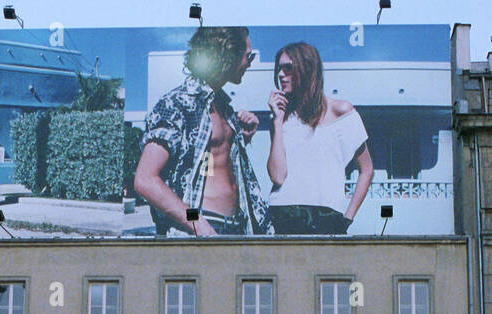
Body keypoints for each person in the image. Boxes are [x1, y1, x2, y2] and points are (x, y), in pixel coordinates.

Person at [134, 26, 273, 236]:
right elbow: (145, 180)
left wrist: (243, 138)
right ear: (228, 53)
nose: (249, 63)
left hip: (237, 227)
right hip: (203, 228)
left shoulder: (225, 108)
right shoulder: (177, 103)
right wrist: (197, 222)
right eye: (248, 56)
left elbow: (209, 164)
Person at [265, 42, 374, 235]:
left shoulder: (341, 111)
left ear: (307, 69)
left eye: (288, 68)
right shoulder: (280, 117)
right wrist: (277, 121)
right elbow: (277, 176)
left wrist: (347, 218)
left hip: (327, 217)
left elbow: (366, 170)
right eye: (279, 69)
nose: (281, 74)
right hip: (283, 213)